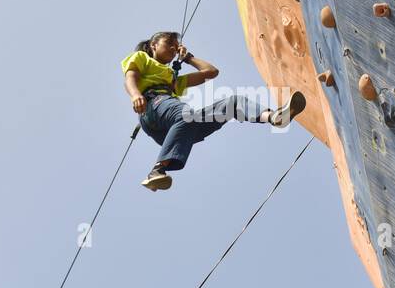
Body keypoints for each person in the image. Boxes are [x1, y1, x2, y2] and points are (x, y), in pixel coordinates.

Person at [121, 30, 306, 190]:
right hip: (152, 106)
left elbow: (211, 72)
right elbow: (131, 76)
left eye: (176, 46)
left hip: (179, 128)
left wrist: (188, 57)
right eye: (169, 43)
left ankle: (274, 117)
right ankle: (157, 170)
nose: (173, 48)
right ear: (153, 44)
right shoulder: (142, 58)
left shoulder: (172, 79)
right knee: (185, 115)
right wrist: (135, 95)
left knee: (232, 103)